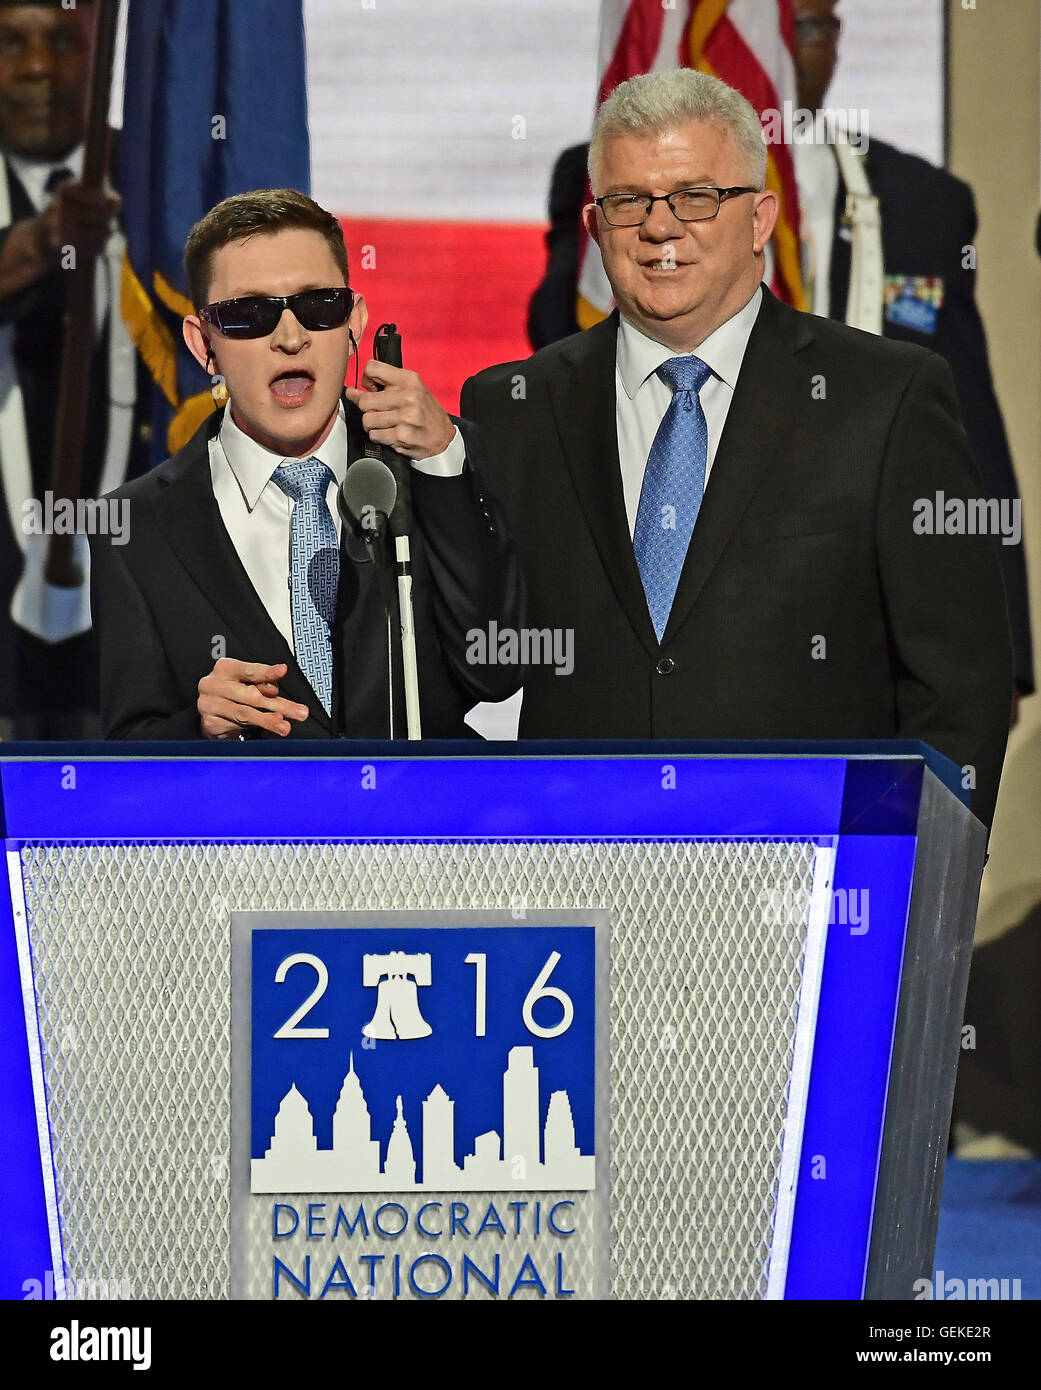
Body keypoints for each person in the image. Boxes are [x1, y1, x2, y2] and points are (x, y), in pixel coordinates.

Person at [464, 68, 1012, 828]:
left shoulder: (886, 398)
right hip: (577, 870)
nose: (660, 228)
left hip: (810, 871)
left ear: (759, 220)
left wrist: (901, 872)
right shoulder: (511, 408)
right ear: (594, 226)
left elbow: (958, 688)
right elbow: (464, 656)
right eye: (628, 201)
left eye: (695, 197)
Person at [528, 1, 1033, 710]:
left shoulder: (922, 204)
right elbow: (560, 344)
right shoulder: (608, 191)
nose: (776, 44)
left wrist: (1007, 651)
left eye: (804, 26)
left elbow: (967, 418)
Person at [89, 189, 522, 740]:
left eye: (318, 306)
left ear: (354, 323)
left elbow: (495, 672)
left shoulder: (440, 463)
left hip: (416, 799)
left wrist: (441, 463)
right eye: (248, 315)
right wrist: (199, 730)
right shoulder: (136, 528)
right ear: (204, 346)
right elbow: (130, 752)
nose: (291, 338)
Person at [0, 0, 146, 739]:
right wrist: (42, 241)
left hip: (134, 628)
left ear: (99, 47)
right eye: (9, 42)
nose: (37, 68)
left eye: (62, 41)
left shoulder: (158, 177)